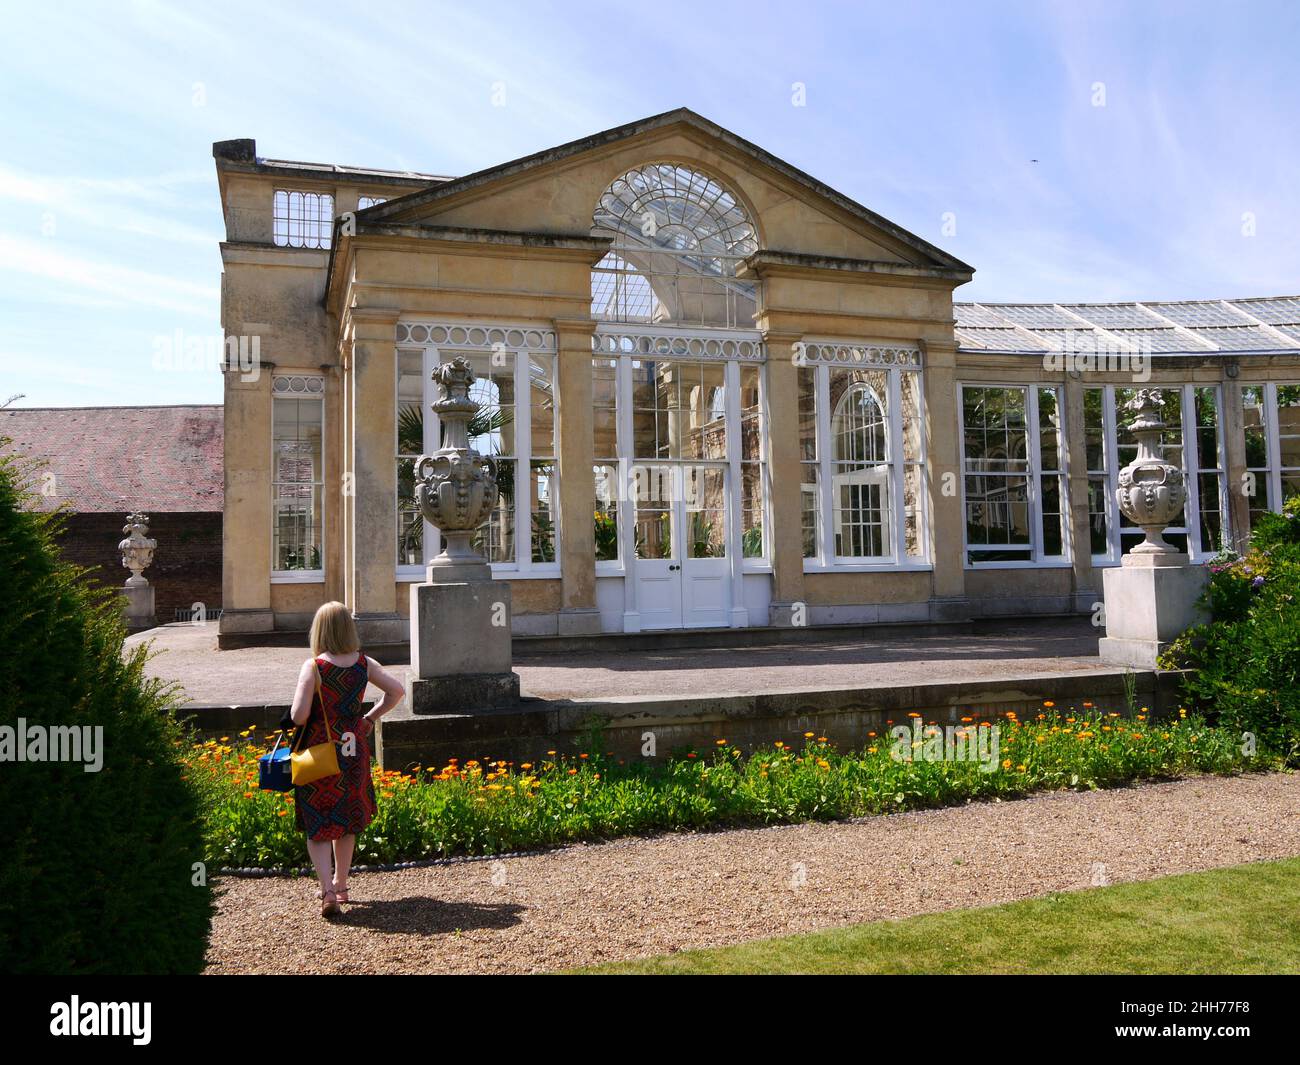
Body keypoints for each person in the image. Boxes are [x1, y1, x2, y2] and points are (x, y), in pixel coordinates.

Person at [290, 601, 405, 917]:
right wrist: (368, 718)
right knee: (347, 818)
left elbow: (298, 716)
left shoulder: (314, 667)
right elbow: (396, 692)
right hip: (354, 751)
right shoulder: (364, 664)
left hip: (319, 754)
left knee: (319, 821)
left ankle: (326, 890)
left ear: (319, 630)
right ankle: (342, 885)